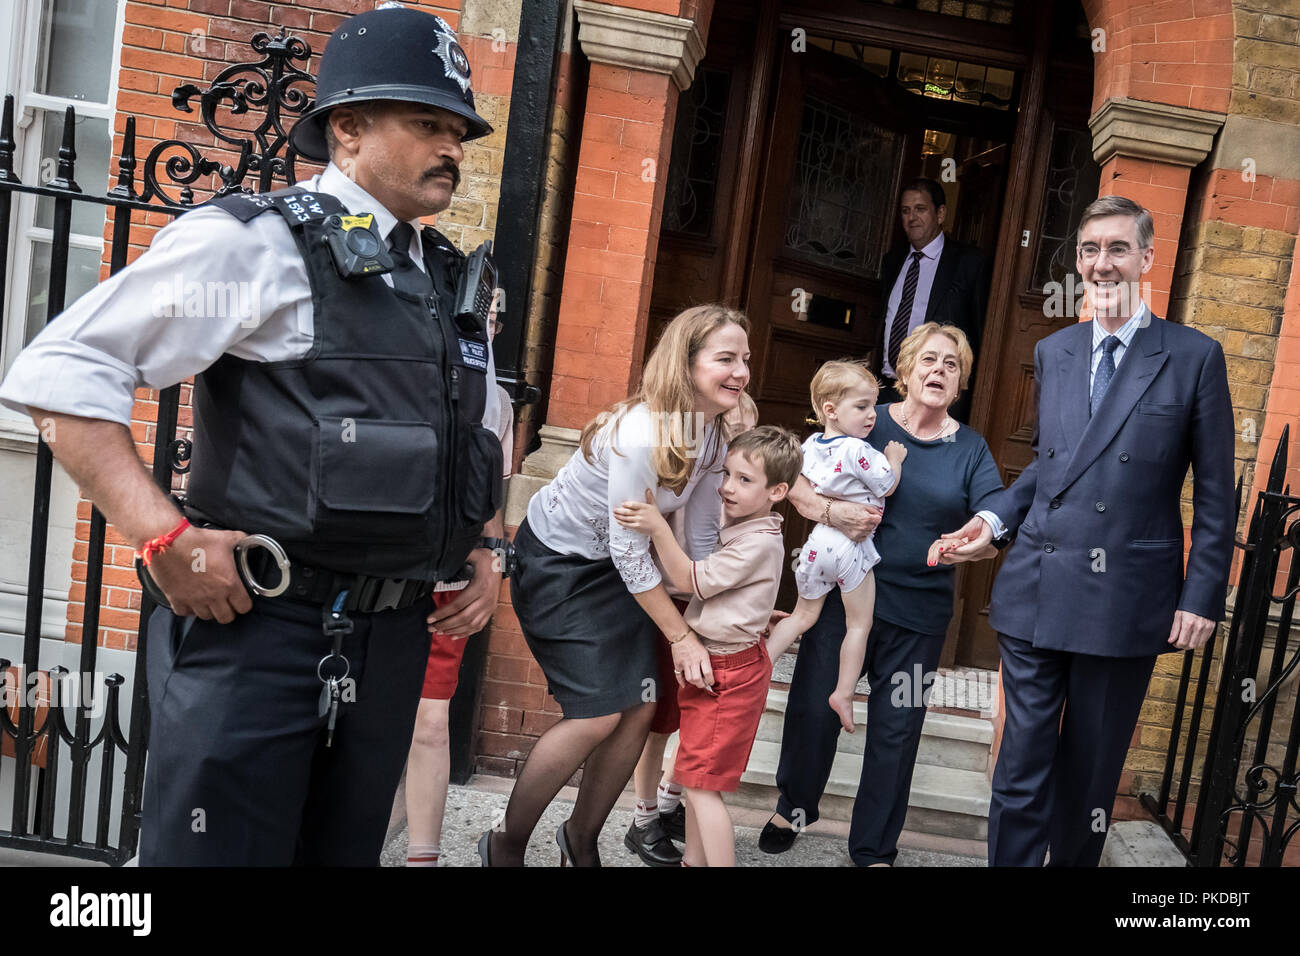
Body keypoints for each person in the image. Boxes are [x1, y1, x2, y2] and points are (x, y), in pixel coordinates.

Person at [0, 7, 506, 865]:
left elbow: (476, 428)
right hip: (259, 633)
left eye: (456, 128)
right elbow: (60, 371)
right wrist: (162, 536)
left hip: (388, 644)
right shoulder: (262, 243)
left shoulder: (446, 276)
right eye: (427, 123)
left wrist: (486, 550)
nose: (451, 147)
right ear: (347, 129)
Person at [937, 195, 1235, 867]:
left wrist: (1201, 594)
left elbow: (1218, 493)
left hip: (1125, 596)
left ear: (1146, 259)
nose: (1103, 263)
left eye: (1118, 248)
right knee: (1019, 767)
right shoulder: (1055, 351)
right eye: (1091, 249)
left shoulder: (1192, 357)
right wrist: (992, 520)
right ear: (1078, 260)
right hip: (1039, 585)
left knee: (1089, 779)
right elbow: (1051, 468)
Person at [480, 305, 749, 867]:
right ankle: (506, 843)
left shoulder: (713, 433)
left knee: (642, 707)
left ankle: (581, 839)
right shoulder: (641, 432)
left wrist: (717, 604)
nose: (741, 372)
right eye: (726, 358)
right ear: (685, 363)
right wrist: (681, 637)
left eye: (745, 359)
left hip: (623, 570)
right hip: (559, 564)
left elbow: (696, 536)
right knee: (598, 712)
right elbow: (631, 550)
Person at [758, 323, 1004, 866]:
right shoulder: (864, 417)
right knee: (812, 709)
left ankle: (873, 848)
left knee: (897, 733)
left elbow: (994, 529)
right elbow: (793, 477)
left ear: (960, 383)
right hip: (845, 599)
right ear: (907, 369)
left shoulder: (971, 449)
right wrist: (828, 511)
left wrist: (974, 547)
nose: (939, 371)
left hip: (919, 613)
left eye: (952, 365)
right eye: (929, 360)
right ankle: (795, 806)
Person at [615, 426, 802, 867]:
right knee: (697, 780)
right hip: (719, 666)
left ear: (778, 491)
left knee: (699, 787)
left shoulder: (757, 541)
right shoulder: (747, 529)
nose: (727, 487)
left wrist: (659, 527)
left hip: (729, 673)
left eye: (744, 480)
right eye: (728, 474)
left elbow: (689, 580)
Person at [625, 390, 758, 866]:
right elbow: (679, 540)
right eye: (730, 428)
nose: (735, 437)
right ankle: (643, 820)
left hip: (708, 603)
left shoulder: (745, 492)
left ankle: (669, 801)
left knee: (693, 722)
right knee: (662, 718)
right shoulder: (693, 471)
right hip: (676, 598)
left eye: (745, 431)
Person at [405, 310, 515, 867]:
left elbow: (493, 493)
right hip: (383, 571)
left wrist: (494, 561)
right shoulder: (407, 364)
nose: (486, 326)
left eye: (495, 316)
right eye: (479, 312)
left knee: (430, 717)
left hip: (450, 577)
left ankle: (423, 855)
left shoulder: (496, 400)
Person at [766, 362, 906, 733]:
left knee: (801, 616)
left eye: (872, 406)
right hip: (850, 548)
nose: (870, 416)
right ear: (830, 410)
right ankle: (843, 692)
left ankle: (760, 666)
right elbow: (886, 484)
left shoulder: (810, 445)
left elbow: (801, 483)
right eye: (862, 407)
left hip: (817, 543)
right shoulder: (858, 450)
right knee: (858, 623)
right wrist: (895, 458)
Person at [876, 177, 991, 420]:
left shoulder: (968, 263)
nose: (911, 217)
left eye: (920, 209)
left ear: (940, 214)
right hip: (887, 388)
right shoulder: (892, 260)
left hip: (936, 395)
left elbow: (980, 333)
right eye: (905, 211)